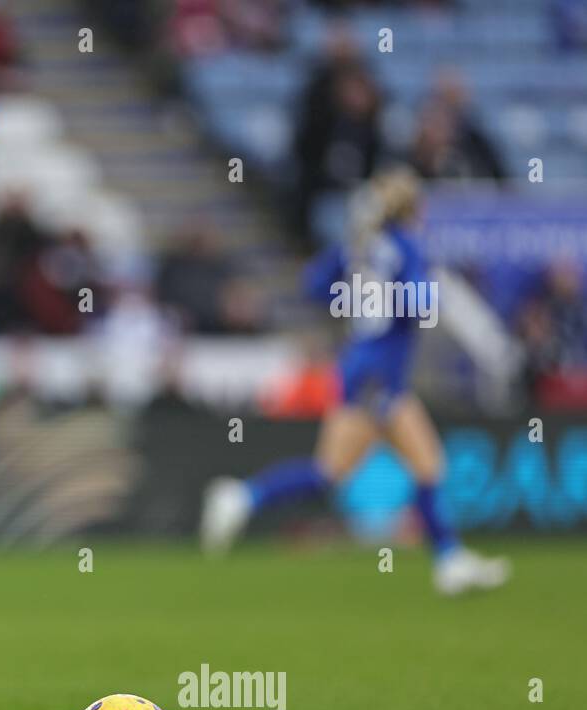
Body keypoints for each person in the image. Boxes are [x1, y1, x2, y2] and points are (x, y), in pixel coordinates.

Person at [200, 167, 510, 596]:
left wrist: (354, 300)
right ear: (410, 208)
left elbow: (312, 284)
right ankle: (243, 497)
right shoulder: (404, 247)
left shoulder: (359, 247)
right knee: (334, 471)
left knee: (427, 464)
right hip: (378, 374)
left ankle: (449, 560)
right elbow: (418, 304)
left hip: (369, 367)